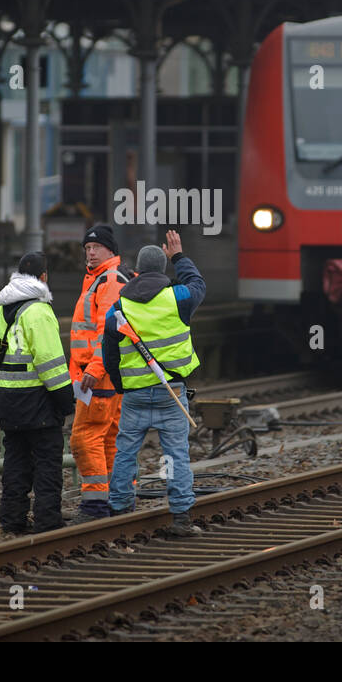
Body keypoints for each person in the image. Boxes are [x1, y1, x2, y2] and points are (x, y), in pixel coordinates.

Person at [102, 229, 206, 537]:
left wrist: (122, 385)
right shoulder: (179, 297)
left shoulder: (118, 309)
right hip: (171, 393)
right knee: (176, 454)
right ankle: (181, 518)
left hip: (134, 396)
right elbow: (198, 284)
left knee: (125, 453)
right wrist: (179, 257)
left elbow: (109, 355)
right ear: (163, 269)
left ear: (135, 271)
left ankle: (119, 511)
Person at [0, 251, 74, 534]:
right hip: (39, 401)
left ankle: (12, 519)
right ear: (44, 277)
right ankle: (47, 520)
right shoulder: (39, 312)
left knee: (15, 462)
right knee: (47, 462)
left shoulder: (0, 311)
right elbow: (50, 363)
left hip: (8, 402)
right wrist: (65, 400)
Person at [68, 224, 130, 519]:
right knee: (108, 439)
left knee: (85, 437)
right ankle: (118, 500)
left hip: (98, 375)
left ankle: (94, 505)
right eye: (87, 249)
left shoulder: (109, 281)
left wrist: (92, 369)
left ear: (110, 250)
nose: (90, 253)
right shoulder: (99, 279)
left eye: (96, 248)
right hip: (99, 373)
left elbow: (109, 331)